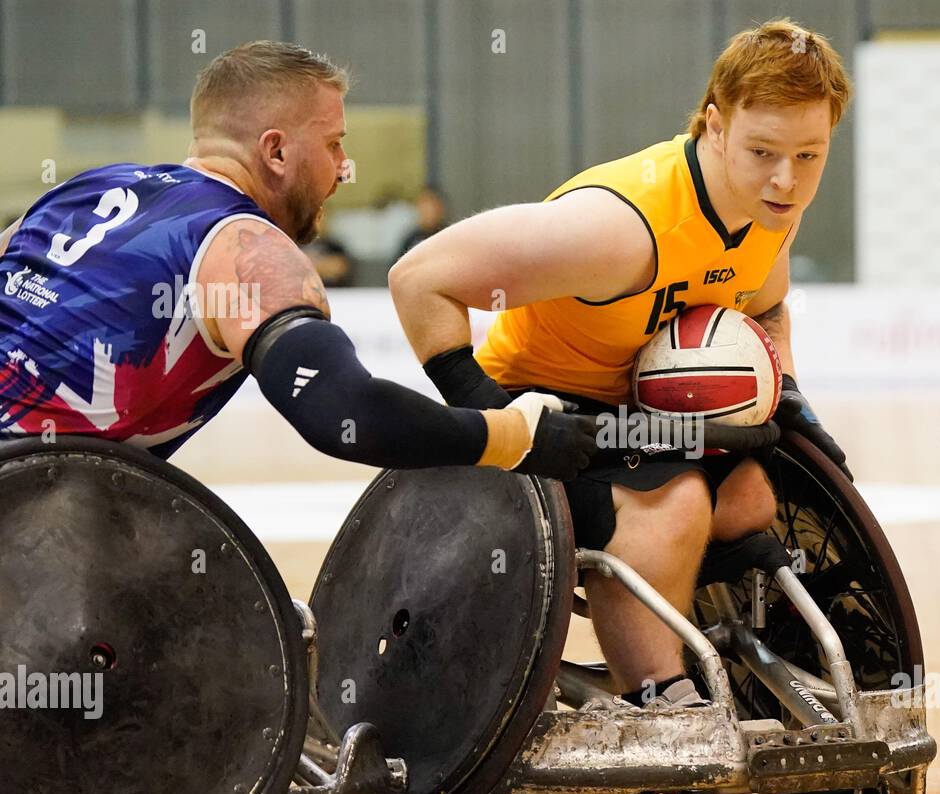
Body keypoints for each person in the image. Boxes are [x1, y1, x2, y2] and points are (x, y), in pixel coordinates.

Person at [389, 19, 853, 708]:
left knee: (755, 495)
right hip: (539, 405)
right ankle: (657, 693)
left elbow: (769, 305)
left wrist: (785, 390)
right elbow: (418, 276)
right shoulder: (617, 230)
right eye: (763, 151)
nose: (787, 180)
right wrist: (498, 419)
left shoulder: (771, 211)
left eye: (810, 156)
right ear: (715, 126)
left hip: (633, 416)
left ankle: (663, 611)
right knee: (677, 503)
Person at [0, 41, 594, 479]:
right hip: (26, 503)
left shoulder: (77, 191)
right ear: (276, 151)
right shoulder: (246, 247)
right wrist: (515, 436)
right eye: (334, 143)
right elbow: (345, 414)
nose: (343, 167)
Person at [393, 184, 449, 263]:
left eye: (431, 205)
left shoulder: (448, 236)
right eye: (423, 204)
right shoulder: (411, 239)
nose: (427, 210)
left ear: (440, 208)